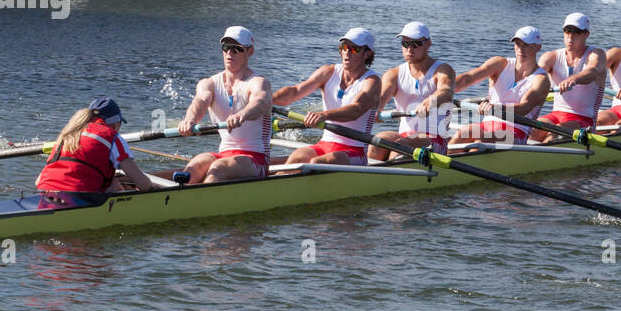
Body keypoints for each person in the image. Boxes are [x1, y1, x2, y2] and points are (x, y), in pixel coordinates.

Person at [176, 26, 273, 183]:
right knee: (194, 166)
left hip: (256, 159)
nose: (229, 53)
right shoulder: (209, 83)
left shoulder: (259, 82)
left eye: (237, 49)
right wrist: (190, 119)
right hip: (224, 153)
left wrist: (243, 114)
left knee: (218, 168)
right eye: (226, 47)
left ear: (250, 52)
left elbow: (259, 102)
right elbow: (200, 101)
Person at [272, 28, 381, 166]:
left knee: (317, 162)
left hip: (354, 150)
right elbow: (295, 91)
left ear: (367, 54)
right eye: (345, 47)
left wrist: (324, 115)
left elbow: (356, 110)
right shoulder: (328, 72)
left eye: (355, 49)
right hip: (325, 144)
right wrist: (267, 99)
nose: (347, 53)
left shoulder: (372, 82)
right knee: (296, 158)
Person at [451, 26, 552, 146]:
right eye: (518, 43)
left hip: (517, 132)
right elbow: (467, 79)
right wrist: (444, 88)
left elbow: (524, 107)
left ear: (537, 47)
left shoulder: (541, 79)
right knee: (464, 132)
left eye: (526, 45)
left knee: (483, 140)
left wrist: (497, 108)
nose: (520, 49)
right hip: (488, 125)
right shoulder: (500, 64)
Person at [370, 22, 456, 161]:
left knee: (400, 146)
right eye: (405, 44)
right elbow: (379, 98)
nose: (410, 49)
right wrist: (374, 110)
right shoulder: (393, 74)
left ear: (428, 44)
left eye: (415, 44)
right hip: (404, 137)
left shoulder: (442, 70)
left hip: (435, 139)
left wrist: (431, 101)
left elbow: (446, 92)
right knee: (376, 142)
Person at [36, 97, 154, 197]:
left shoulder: (68, 133)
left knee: (109, 181)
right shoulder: (112, 137)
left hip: (44, 192)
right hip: (78, 197)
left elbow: (38, 180)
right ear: (114, 123)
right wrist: (151, 186)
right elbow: (143, 185)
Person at [530, 13, 606, 142]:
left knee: (553, 135)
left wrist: (574, 79)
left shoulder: (596, 54)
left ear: (586, 34)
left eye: (576, 32)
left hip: (584, 119)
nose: (570, 37)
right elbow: (533, 78)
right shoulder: (551, 57)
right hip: (555, 115)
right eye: (567, 31)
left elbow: (592, 71)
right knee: (530, 131)